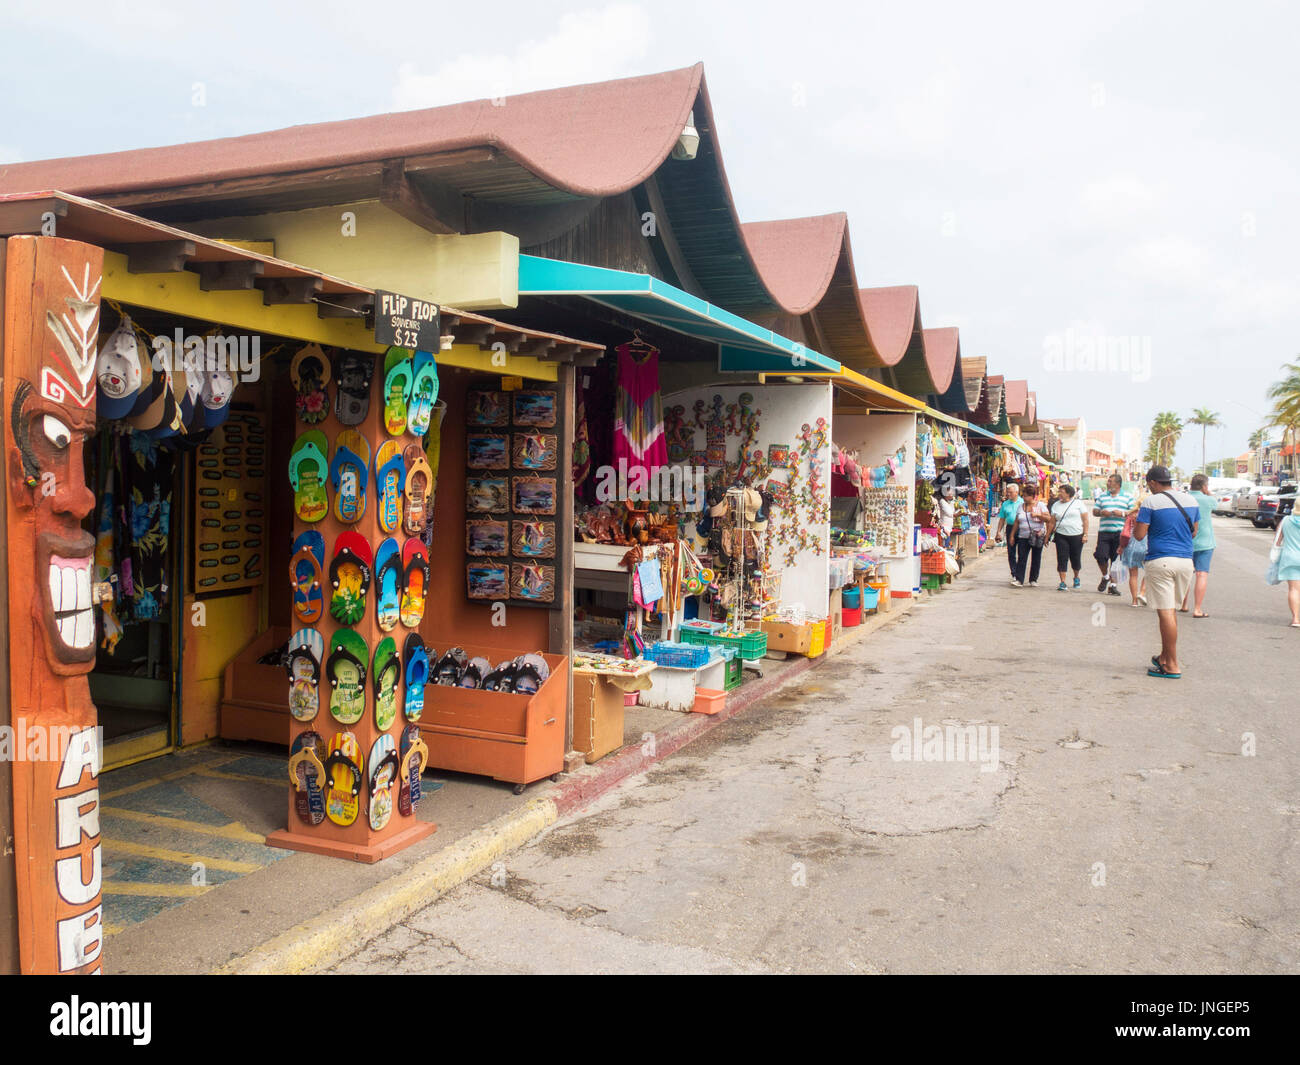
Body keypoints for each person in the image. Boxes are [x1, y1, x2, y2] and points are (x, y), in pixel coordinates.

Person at [1134, 465, 1197, 679]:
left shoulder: (1151, 502)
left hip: (1160, 560)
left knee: (1166, 612)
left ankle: (1172, 664)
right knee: (1171, 611)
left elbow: (1140, 534)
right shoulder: (1190, 500)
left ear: (1152, 482)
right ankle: (1164, 656)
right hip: (1185, 561)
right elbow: (1194, 531)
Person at [1093, 473, 1136, 596]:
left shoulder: (1128, 497)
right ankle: (1105, 576)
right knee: (1100, 555)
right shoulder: (1102, 496)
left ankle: (1113, 585)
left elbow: (1134, 513)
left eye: (1110, 481)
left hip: (1120, 533)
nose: (1108, 483)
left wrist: (1122, 514)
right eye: (1108, 481)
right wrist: (1102, 512)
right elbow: (1094, 511)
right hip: (1104, 531)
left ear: (1118, 484)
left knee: (1116, 559)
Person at [1183, 472, 1216, 617]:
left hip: (1186, 540)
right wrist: (1207, 492)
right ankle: (1197, 609)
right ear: (1204, 486)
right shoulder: (1208, 500)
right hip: (1205, 542)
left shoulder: (1184, 498)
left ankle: (1183, 604)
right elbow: (1216, 503)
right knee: (1201, 575)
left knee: (1185, 574)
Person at [1011, 483, 1052, 588]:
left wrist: (1038, 515)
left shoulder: (1040, 505)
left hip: (1037, 535)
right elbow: (1016, 522)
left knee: (1036, 558)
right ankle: (1019, 579)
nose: (1023, 498)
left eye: (1025, 496)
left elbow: (1048, 519)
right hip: (1023, 536)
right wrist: (1012, 535)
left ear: (1032, 496)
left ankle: (1033, 579)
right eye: (1023, 495)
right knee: (1022, 558)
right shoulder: (1021, 506)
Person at [1049, 484, 1088, 590]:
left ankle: (1076, 577)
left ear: (1068, 493)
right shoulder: (1056, 505)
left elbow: (1085, 520)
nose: (1059, 494)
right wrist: (1047, 536)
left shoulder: (1078, 504)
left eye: (1061, 491)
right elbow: (1052, 522)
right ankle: (1063, 582)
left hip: (1076, 535)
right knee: (1062, 558)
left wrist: (1085, 534)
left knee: (1075, 558)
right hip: (1061, 535)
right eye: (1059, 491)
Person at [1274, 505, 1300, 627]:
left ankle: (1295, 619)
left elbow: (1278, 541)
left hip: (1290, 557)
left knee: (1294, 589)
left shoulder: (1286, 520)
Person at [993, 481, 1022, 586]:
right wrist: (998, 532)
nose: (1008, 494)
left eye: (1010, 492)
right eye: (1007, 492)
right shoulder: (1005, 504)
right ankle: (1014, 573)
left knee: (1022, 553)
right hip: (1010, 528)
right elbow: (1002, 519)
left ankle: (1020, 574)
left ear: (1016, 492)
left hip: (1021, 528)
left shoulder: (1022, 502)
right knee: (1011, 552)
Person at [1120, 501, 1148, 606]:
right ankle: (1142, 592)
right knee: (1150, 571)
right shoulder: (1150, 515)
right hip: (1146, 544)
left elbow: (1125, 532)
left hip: (1131, 544)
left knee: (1133, 575)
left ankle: (1134, 601)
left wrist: (1121, 546)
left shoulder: (1132, 515)